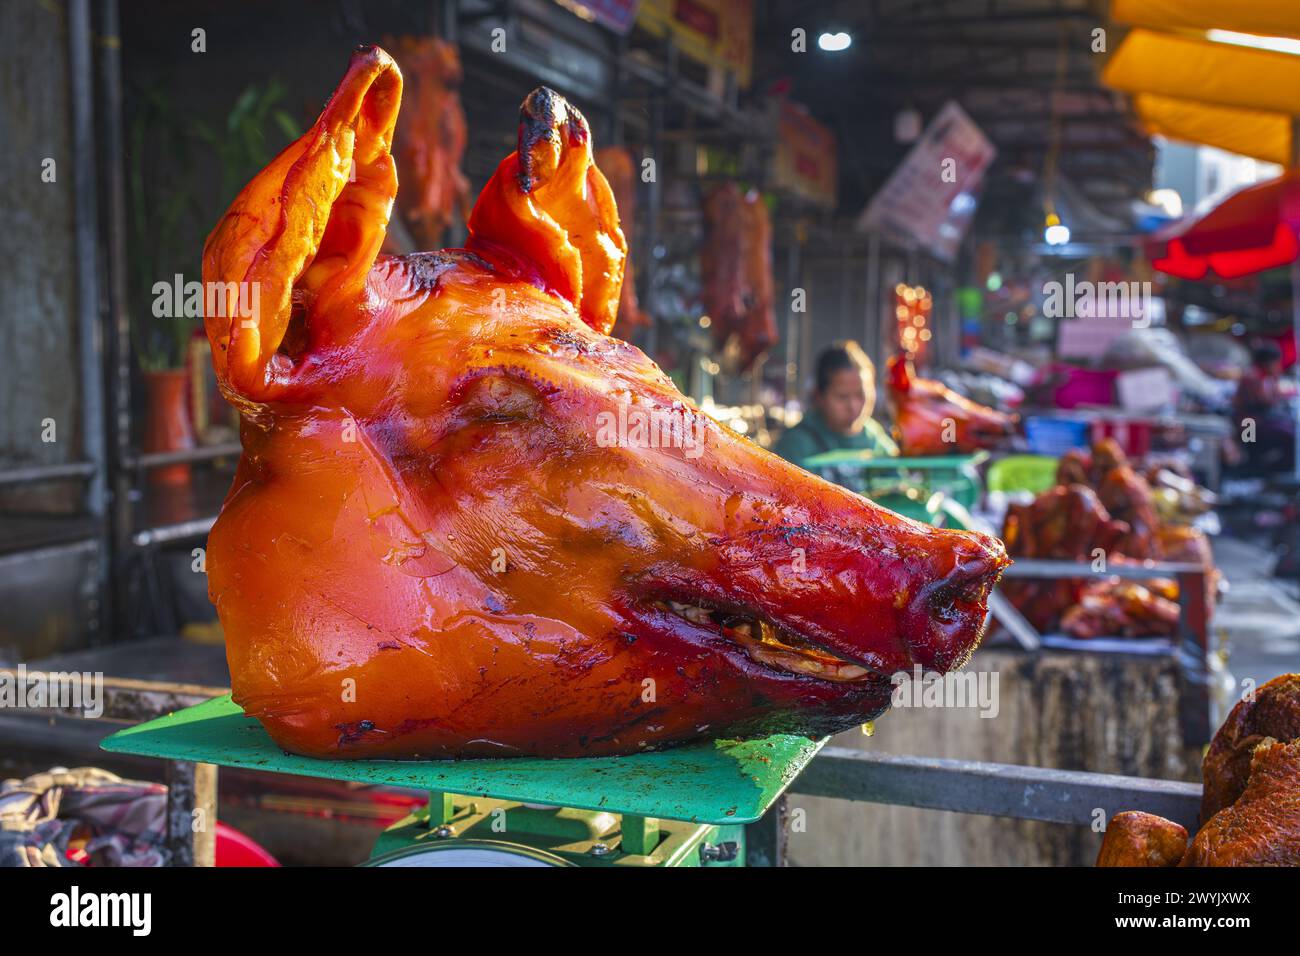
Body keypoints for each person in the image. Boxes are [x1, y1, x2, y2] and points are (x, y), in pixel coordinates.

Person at [773, 341, 897, 492]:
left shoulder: (877, 440)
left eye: (860, 395)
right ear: (819, 397)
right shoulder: (796, 445)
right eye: (842, 397)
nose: (853, 405)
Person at [1232, 340, 1295, 474]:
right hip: (1248, 424)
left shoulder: (1263, 376)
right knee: (1289, 436)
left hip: (1256, 420)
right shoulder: (1254, 376)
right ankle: (1272, 471)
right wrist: (1276, 379)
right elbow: (1265, 401)